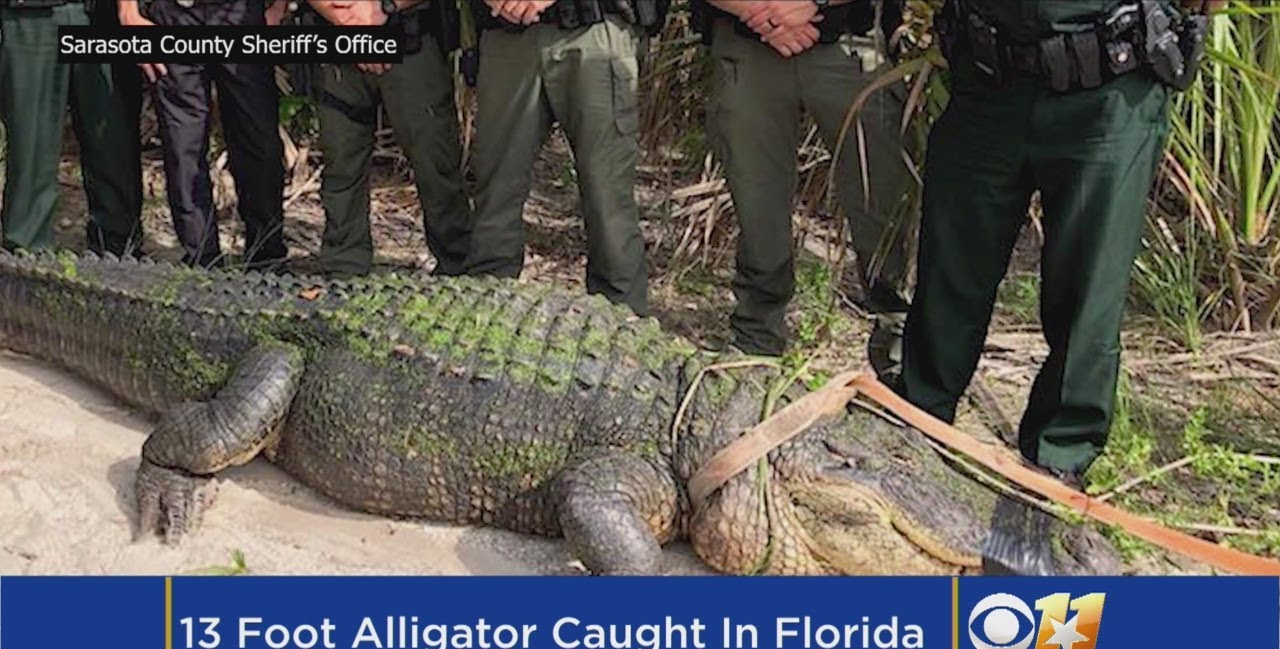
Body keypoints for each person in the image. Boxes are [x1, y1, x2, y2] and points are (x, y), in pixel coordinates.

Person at [898, 0, 1216, 489]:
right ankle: (918, 417)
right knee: (951, 264)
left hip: (1109, 92)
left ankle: (1057, 458)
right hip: (988, 79)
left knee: (1088, 285)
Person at [692, 0, 915, 379]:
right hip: (746, 44)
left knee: (881, 209)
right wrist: (755, 8)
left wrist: (806, 5)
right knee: (755, 201)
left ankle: (900, 352)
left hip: (852, 46)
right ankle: (755, 341)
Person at [461, 0, 669, 317]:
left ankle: (622, 326)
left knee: (607, 195)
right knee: (495, 188)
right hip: (507, 35)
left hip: (595, 32)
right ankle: (483, 311)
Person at [302, 0, 473, 278]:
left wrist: (381, 10)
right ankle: (344, 269)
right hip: (338, 38)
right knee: (341, 160)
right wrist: (346, 21)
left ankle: (457, 265)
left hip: (411, 36)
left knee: (434, 158)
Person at [119, 0, 289, 269]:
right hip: (172, 15)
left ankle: (267, 258)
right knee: (182, 146)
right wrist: (128, 12)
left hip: (241, 14)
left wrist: (278, 7)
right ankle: (202, 261)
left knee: (259, 142)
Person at [0, 0, 144, 257]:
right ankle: (25, 255)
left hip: (104, 16)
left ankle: (118, 250)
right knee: (29, 144)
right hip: (28, 16)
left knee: (113, 138)